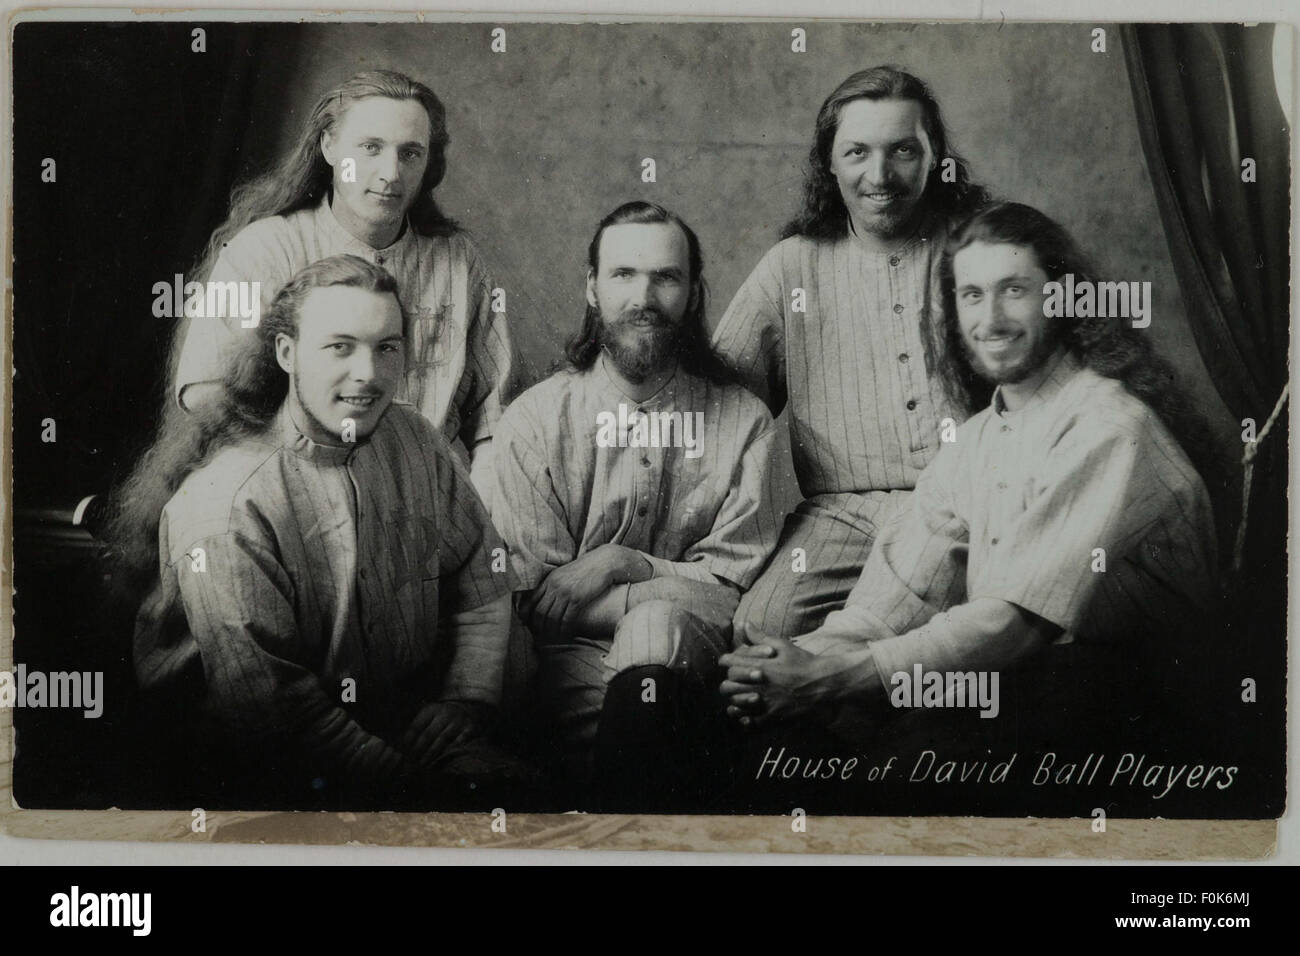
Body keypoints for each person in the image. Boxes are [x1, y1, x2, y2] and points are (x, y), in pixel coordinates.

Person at [720, 202, 1218, 768]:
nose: (992, 319)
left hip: (1136, 703)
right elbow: (888, 609)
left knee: (910, 760)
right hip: (1023, 684)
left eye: (1014, 290)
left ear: (1062, 299)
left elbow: (1011, 627)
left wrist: (826, 678)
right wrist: (775, 669)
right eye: (972, 295)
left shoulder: (1110, 427)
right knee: (751, 738)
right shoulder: (975, 442)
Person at [126, 255, 523, 809]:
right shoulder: (228, 506)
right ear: (286, 354)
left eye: (387, 347)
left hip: (400, 731)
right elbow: (276, 718)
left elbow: (486, 576)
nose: (369, 373)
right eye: (341, 347)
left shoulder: (413, 438)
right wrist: (418, 793)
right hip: (255, 772)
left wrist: (467, 697)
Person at [492, 202, 782, 808]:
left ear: (694, 293)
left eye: (666, 277)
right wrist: (672, 586)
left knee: (659, 631)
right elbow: (536, 602)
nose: (643, 296)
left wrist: (625, 564)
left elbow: (731, 593)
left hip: (694, 662)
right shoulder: (536, 420)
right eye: (623, 274)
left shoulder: (744, 421)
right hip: (565, 672)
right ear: (592, 289)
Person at [711, 66, 991, 640]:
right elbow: (719, 406)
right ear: (829, 162)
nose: (880, 175)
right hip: (839, 518)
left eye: (903, 151)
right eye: (857, 152)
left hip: (968, 504)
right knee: (761, 629)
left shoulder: (982, 247)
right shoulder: (792, 264)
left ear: (936, 156)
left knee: (952, 634)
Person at [171, 69, 514, 507]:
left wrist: (472, 516)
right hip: (297, 502)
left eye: (410, 153)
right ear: (329, 146)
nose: (390, 173)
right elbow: (206, 393)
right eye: (370, 148)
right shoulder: (261, 249)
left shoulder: (458, 262)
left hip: (427, 512)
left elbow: (495, 417)